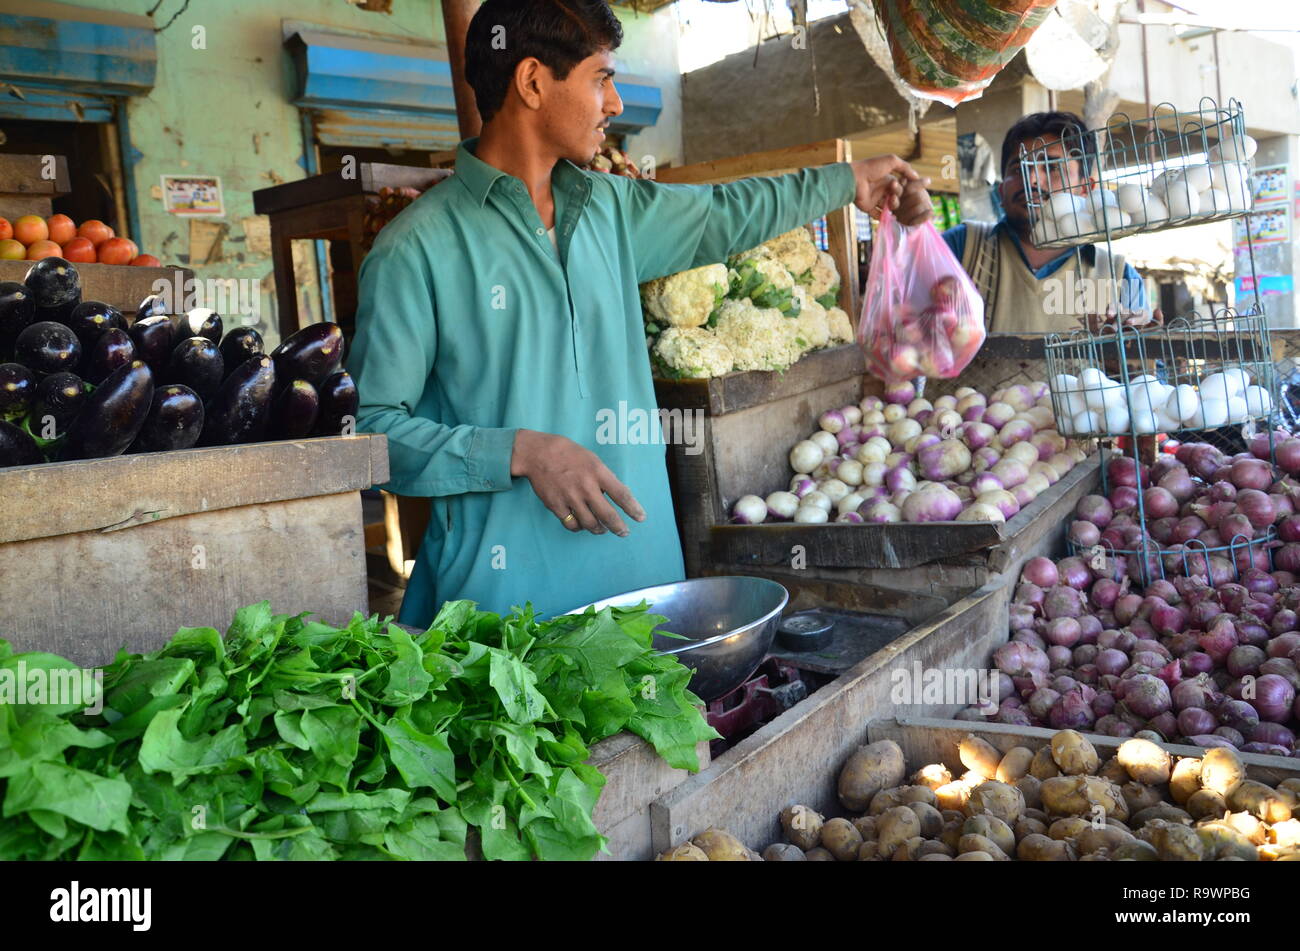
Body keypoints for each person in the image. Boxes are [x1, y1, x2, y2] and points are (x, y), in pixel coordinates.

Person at [347, 0, 933, 626]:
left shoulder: (613, 210)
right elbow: (369, 437)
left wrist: (849, 181)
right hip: (499, 621)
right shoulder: (415, 249)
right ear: (533, 82)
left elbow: (729, 209)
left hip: (643, 593)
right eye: (602, 78)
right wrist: (517, 451)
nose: (616, 103)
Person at [942, 111, 1156, 334]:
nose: (1031, 179)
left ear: (1085, 189)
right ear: (1001, 189)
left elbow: (1138, 367)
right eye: (1018, 169)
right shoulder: (960, 249)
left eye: (1052, 168)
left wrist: (1136, 348)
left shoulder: (1118, 277)